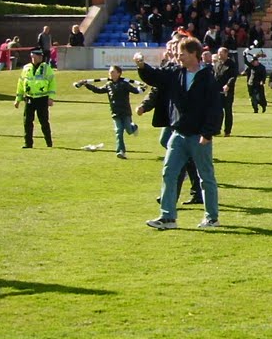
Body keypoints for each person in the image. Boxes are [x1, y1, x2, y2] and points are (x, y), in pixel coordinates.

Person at [134, 39, 224, 230]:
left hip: (199, 136)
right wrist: (141, 65)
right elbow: (155, 77)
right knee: (169, 173)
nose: (178, 57)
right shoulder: (175, 72)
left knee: (205, 177)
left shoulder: (207, 77)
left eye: (181, 53)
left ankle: (212, 218)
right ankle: (168, 217)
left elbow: (215, 108)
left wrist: (208, 133)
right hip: (178, 134)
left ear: (193, 54)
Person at [78, 66, 144, 158]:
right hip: (115, 112)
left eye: (113, 72)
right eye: (110, 72)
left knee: (129, 130)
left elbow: (136, 91)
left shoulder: (124, 84)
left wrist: (143, 87)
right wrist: (87, 85)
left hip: (125, 112)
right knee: (118, 131)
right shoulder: (108, 84)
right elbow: (98, 90)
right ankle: (121, 151)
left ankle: (134, 127)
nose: (111, 74)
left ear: (119, 73)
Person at [15, 47, 57, 148]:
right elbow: (21, 84)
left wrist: (51, 98)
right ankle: (28, 143)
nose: (41, 57)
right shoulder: (26, 68)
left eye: (41, 55)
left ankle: (49, 142)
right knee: (27, 121)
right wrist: (18, 99)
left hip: (42, 98)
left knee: (44, 121)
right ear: (33, 56)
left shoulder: (46, 68)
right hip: (29, 97)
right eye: (39, 55)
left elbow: (52, 83)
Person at [214, 47, 239, 136]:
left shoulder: (231, 64)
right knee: (218, 111)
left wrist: (228, 85)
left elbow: (233, 76)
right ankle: (217, 129)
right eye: (218, 53)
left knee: (228, 111)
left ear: (226, 54)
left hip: (227, 91)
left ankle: (227, 131)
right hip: (217, 91)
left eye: (221, 53)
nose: (219, 55)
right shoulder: (217, 64)